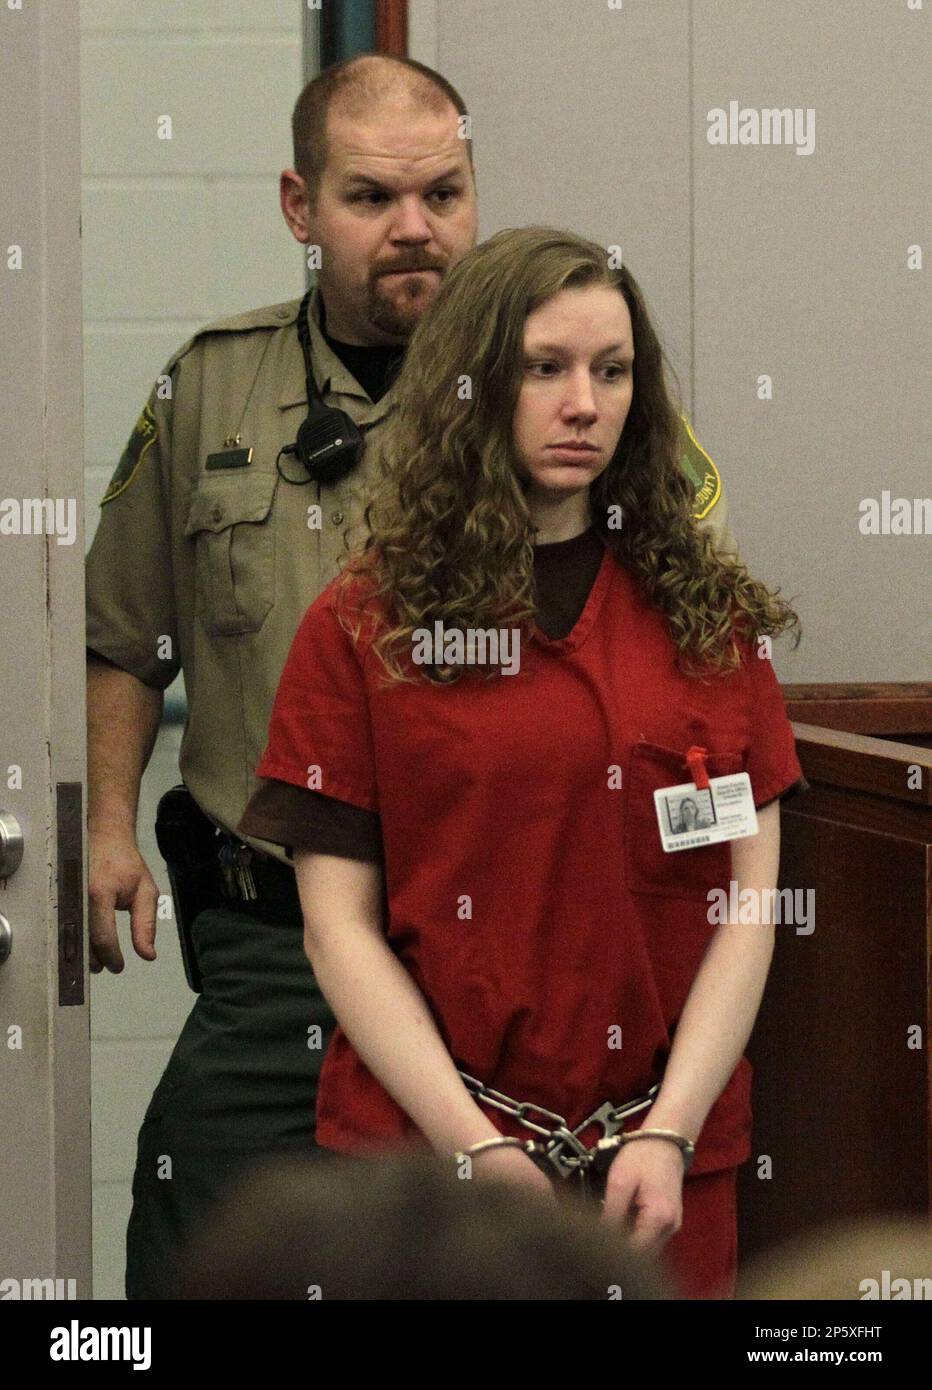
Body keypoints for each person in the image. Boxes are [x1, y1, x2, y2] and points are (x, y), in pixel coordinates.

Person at [85, 54, 738, 1300]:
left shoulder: (546, 381)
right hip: (281, 931)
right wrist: (106, 826)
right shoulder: (210, 383)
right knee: (193, 1230)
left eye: (441, 193)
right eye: (372, 199)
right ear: (298, 206)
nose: (412, 229)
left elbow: (676, 607)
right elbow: (122, 632)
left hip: (495, 948)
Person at [239, 226, 809, 1301]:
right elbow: (337, 928)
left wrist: (671, 1131)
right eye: (544, 368)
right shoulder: (365, 625)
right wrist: (478, 1150)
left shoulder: (707, 618)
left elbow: (748, 902)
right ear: (472, 384)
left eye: (611, 370)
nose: (583, 403)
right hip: (425, 1166)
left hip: (658, 1162)